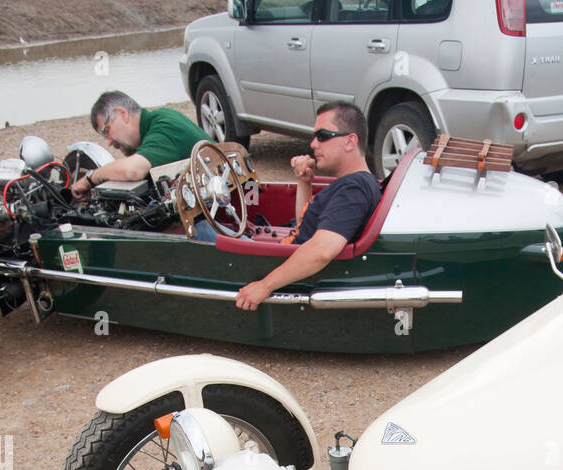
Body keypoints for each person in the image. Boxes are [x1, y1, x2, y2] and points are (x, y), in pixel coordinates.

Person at [235, 102, 380, 311]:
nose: (313, 144)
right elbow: (305, 228)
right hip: (289, 250)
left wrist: (264, 286)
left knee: (202, 229)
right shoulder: (355, 182)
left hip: (282, 262)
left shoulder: (353, 190)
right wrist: (304, 181)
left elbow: (322, 250)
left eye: (322, 136)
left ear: (350, 142)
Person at [71, 91, 207, 196]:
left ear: (122, 114)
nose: (109, 142)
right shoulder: (157, 122)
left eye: (107, 131)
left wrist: (89, 178)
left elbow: (132, 171)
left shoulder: (164, 125)